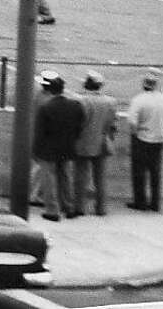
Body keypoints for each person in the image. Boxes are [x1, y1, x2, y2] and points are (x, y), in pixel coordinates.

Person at [33, 70, 85, 221]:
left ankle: (52, 210)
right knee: (65, 177)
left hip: (48, 149)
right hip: (67, 146)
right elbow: (79, 128)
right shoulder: (75, 105)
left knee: (49, 180)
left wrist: (35, 150)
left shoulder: (45, 107)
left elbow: (40, 132)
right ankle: (69, 207)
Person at [73, 71, 118, 216]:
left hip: (84, 142)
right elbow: (113, 125)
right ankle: (101, 208)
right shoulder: (111, 102)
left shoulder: (81, 101)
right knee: (100, 178)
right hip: (102, 142)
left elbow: (77, 123)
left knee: (81, 178)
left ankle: (80, 207)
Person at [127, 73, 163, 210]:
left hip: (142, 138)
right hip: (159, 140)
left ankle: (140, 202)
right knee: (155, 172)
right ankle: (155, 203)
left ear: (144, 85)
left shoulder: (139, 100)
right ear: (156, 85)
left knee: (139, 172)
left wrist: (135, 133)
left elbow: (132, 121)